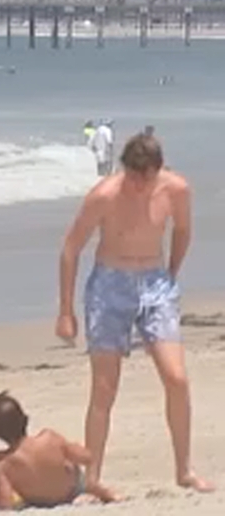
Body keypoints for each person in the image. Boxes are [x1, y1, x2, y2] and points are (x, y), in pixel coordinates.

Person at [55, 134, 212, 493]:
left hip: (155, 283)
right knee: (105, 388)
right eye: (135, 177)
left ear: (159, 171)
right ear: (125, 168)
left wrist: (171, 273)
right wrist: (65, 310)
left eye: (148, 178)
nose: (141, 186)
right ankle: (92, 478)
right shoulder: (104, 195)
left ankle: (183, 470)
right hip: (110, 285)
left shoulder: (176, 189)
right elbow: (70, 249)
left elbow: (184, 229)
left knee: (177, 379)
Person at [0, 391, 116, 510]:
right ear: (25, 419)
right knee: (78, 476)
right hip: (69, 491)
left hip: (37, 500)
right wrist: (70, 449)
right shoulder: (50, 438)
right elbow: (87, 458)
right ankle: (101, 493)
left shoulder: (1, 462)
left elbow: (5, 502)